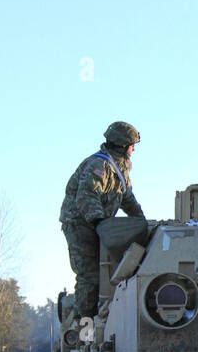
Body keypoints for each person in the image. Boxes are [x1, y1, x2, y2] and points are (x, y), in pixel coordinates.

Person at [59, 122, 146, 323]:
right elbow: (86, 195)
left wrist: (141, 221)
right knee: (90, 276)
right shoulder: (99, 165)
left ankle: (99, 320)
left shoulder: (119, 169)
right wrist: (100, 222)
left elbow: (127, 198)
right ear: (123, 145)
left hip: (97, 226)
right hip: (80, 225)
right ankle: (84, 329)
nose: (134, 150)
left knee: (106, 275)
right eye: (132, 145)